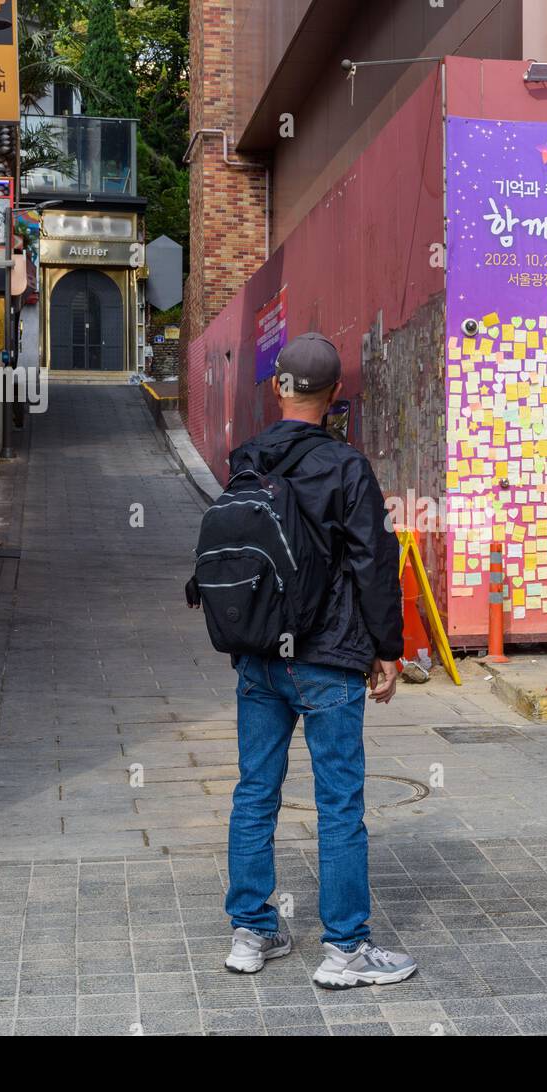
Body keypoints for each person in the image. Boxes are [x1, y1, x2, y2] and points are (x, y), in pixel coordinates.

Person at [218, 331, 417, 988]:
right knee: (338, 800)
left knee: (255, 790)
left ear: (279, 387)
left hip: (258, 654)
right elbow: (372, 564)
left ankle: (250, 932)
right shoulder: (347, 467)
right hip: (328, 657)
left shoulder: (246, 459)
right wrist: (387, 648)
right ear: (336, 395)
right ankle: (345, 949)